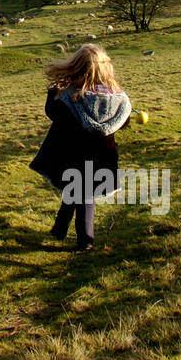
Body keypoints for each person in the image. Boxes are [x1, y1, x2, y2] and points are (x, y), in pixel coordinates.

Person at [29, 44, 132, 251]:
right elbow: (124, 121)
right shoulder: (118, 98)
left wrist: (53, 93)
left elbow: (54, 113)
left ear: (76, 68)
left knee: (83, 194)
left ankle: (85, 240)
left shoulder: (71, 97)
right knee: (78, 190)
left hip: (74, 155)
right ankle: (59, 229)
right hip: (103, 157)